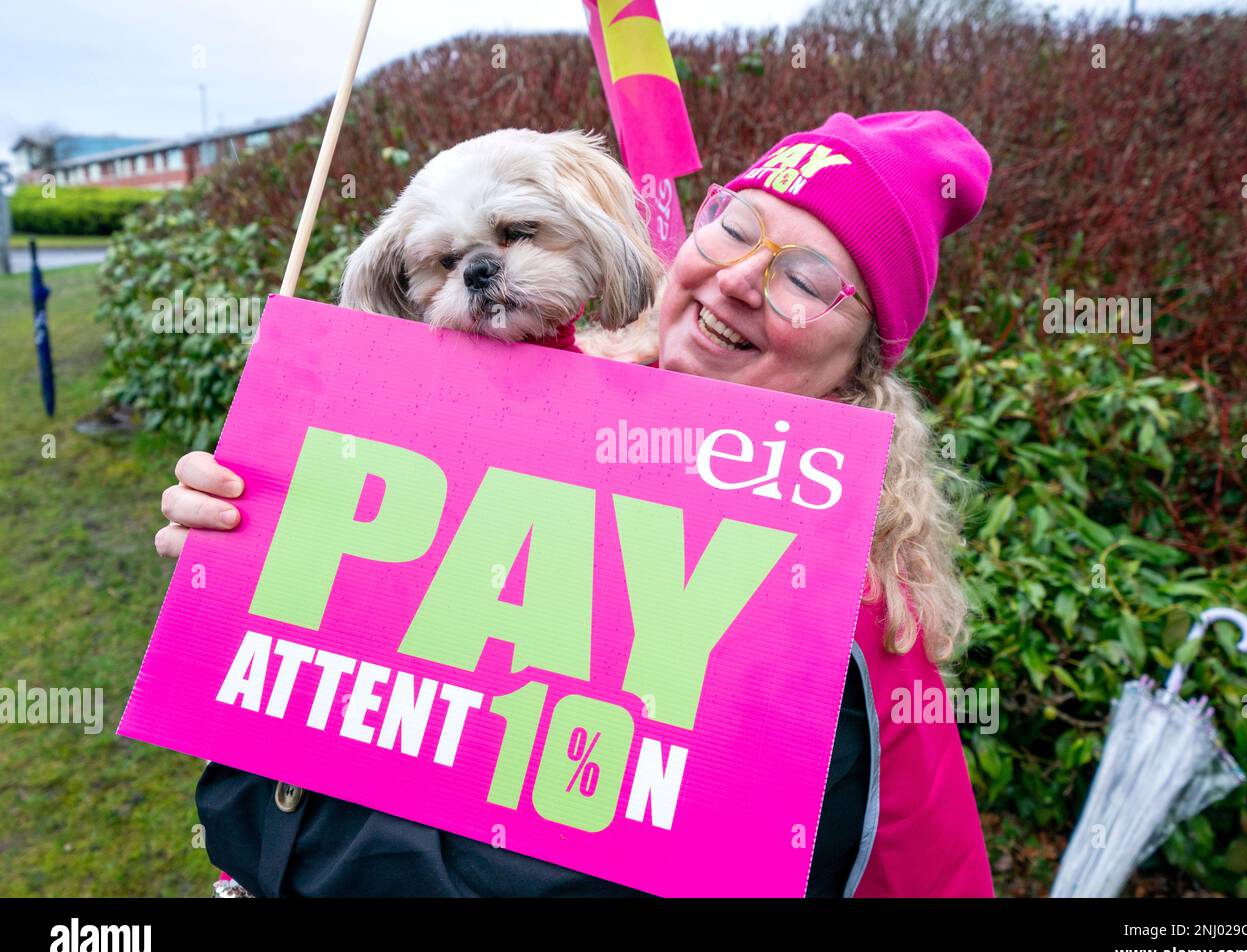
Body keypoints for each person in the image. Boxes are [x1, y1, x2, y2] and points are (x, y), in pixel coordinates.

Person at [155, 110, 994, 897]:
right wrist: (257, 558)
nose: (739, 278)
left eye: (805, 279)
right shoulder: (563, 422)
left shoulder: (827, 604)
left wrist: (268, 828)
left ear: (861, 357)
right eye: (735, 230)